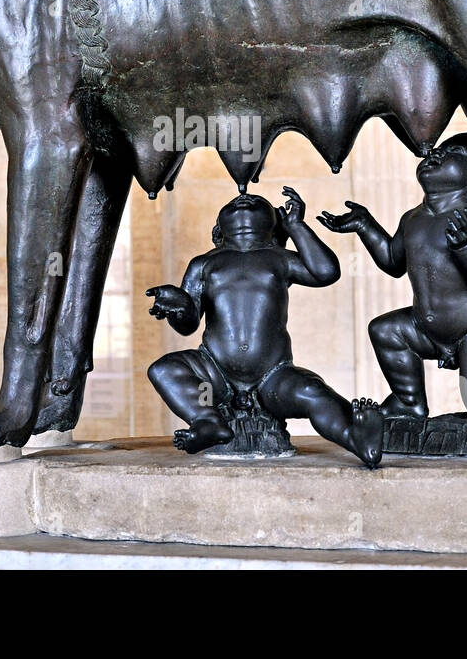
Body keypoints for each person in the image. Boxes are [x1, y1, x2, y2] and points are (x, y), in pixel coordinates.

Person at [146, 188, 384, 468]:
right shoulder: (204, 264)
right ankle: (208, 420)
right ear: (219, 227)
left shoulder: (279, 258)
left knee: (312, 392)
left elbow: (325, 272)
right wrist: (180, 304)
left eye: (258, 202)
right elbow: (187, 325)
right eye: (234, 201)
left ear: (273, 223)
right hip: (214, 376)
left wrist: (297, 226)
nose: (244, 198)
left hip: (274, 378)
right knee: (164, 369)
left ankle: (356, 438)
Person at [318, 133, 467, 422]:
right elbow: (394, 263)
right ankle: (409, 402)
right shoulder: (412, 219)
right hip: (424, 329)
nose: (435, 154)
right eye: (437, 150)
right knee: (384, 330)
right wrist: (364, 225)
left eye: (453, 152)